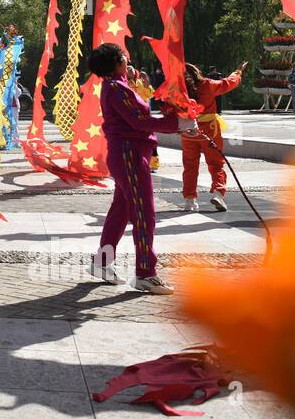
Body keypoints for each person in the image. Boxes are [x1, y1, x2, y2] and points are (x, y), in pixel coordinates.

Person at [86, 43, 195, 295]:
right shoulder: (116, 88)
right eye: (124, 56)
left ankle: (102, 262)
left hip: (128, 153)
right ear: (116, 62)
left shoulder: (118, 85)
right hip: (130, 155)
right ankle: (146, 273)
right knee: (144, 214)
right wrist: (177, 123)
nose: (128, 59)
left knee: (121, 211)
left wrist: (176, 118)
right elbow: (139, 121)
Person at [181, 61, 246, 212]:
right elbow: (227, 83)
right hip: (208, 131)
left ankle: (189, 200)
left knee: (190, 165)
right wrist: (238, 72)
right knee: (216, 163)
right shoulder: (207, 84)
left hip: (188, 131)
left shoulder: (179, 89)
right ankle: (218, 193)